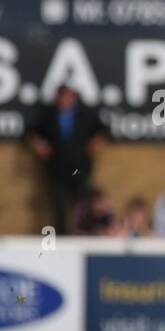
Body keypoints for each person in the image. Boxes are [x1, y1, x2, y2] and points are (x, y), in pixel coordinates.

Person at [27, 85, 109, 233]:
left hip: (79, 168)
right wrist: (39, 145)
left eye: (69, 97)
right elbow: (31, 131)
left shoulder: (85, 114)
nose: (66, 100)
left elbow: (104, 130)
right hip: (57, 169)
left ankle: (82, 232)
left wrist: (96, 143)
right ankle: (63, 236)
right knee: (59, 204)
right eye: (62, 97)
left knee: (81, 202)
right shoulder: (49, 115)